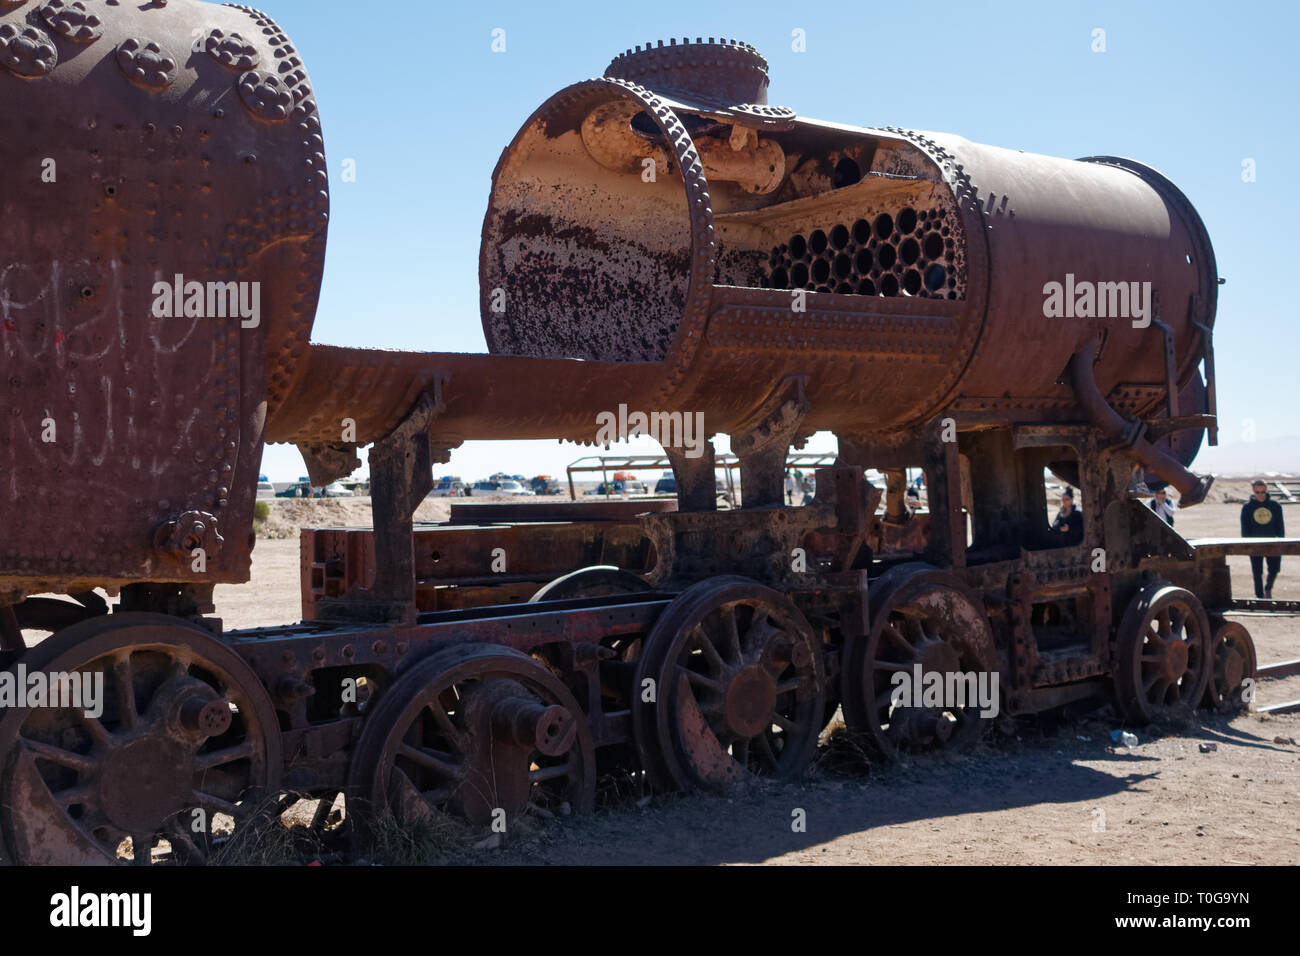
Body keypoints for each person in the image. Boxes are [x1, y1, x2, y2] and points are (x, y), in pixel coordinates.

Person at [1241, 479, 1284, 598]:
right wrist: (1247, 543)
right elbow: (1245, 527)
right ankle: (1259, 596)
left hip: (1273, 543)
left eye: (1263, 492)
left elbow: (1280, 526)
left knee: (1274, 569)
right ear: (1253, 492)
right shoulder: (1247, 507)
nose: (1261, 495)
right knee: (1257, 572)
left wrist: (1281, 542)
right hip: (1255, 543)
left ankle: (1268, 588)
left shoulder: (1275, 506)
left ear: (1267, 491)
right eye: (1258, 492)